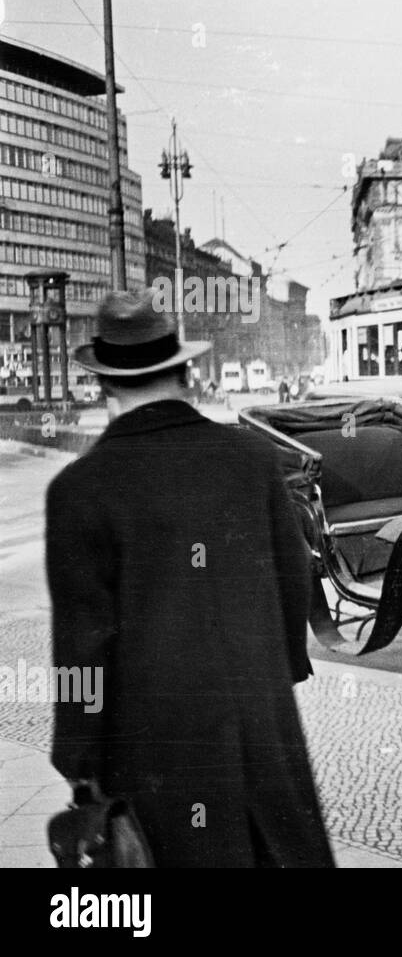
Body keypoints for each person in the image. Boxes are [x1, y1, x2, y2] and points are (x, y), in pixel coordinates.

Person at [46, 289, 334, 868]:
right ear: (183, 369)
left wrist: (80, 759)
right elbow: (295, 575)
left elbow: (83, 649)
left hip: (153, 755)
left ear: (105, 386)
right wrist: (268, 678)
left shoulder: (80, 489)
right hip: (263, 736)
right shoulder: (251, 458)